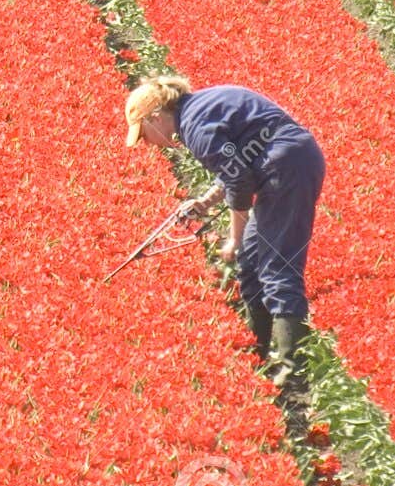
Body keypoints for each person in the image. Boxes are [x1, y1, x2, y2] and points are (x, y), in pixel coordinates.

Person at [124, 74, 325, 379]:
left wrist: (234, 238)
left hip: (288, 169)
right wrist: (204, 201)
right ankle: (257, 351)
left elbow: (238, 181)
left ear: (156, 116)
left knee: (276, 267)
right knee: (251, 262)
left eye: (144, 134)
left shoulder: (194, 127)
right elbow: (239, 158)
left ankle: (291, 369)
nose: (149, 143)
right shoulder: (199, 108)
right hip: (284, 163)